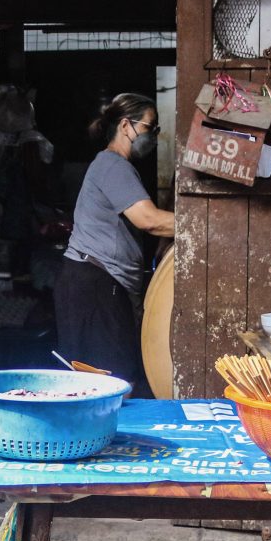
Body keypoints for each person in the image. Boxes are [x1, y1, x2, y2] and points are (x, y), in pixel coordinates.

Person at [56, 93, 175, 395]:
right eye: (150, 127)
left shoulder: (115, 167)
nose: (154, 135)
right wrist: (202, 225)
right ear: (126, 126)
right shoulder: (112, 165)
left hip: (98, 283)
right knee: (111, 381)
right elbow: (147, 219)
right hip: (94, 284)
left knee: (107, 379)